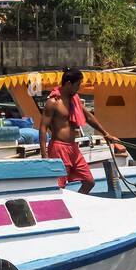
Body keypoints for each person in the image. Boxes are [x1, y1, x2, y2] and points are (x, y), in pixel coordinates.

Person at [38, 66, 121, 194]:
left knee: (89, 182)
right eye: (78, 85)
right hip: (59, 148)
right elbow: (43, 128)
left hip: (73, 147)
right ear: (69, 84)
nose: (79, 88)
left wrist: (106, 134)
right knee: (59, 186)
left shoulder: (74, 99)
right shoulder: (53, 102)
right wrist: (45, 156)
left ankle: (73, 204)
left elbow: (88, 117)